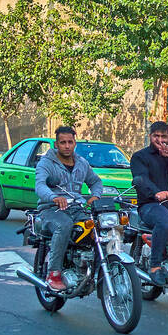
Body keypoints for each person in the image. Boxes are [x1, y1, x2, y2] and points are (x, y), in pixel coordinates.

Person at [34, 125, 103, 292]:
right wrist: (53, 197)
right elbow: (40, 186)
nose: (67, 145)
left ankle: (95, 267)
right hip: (51, 208)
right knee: (64, 225)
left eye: (70, 142)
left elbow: (96, 181)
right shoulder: (46, 163)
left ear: (75, 143)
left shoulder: (82, 163)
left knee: (100, 225)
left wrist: (95, 196)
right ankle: (54, 273)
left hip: (77, 207)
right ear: (56, 144)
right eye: (62, 142)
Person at [131, 122, 168, 288]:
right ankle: (155, 266)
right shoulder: (140, 156)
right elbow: (141, 179)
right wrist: (156, 192)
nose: (160, 140)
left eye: (164, 136)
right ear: (150, 136)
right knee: (165, 220)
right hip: (150, 204)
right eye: (156, 136)